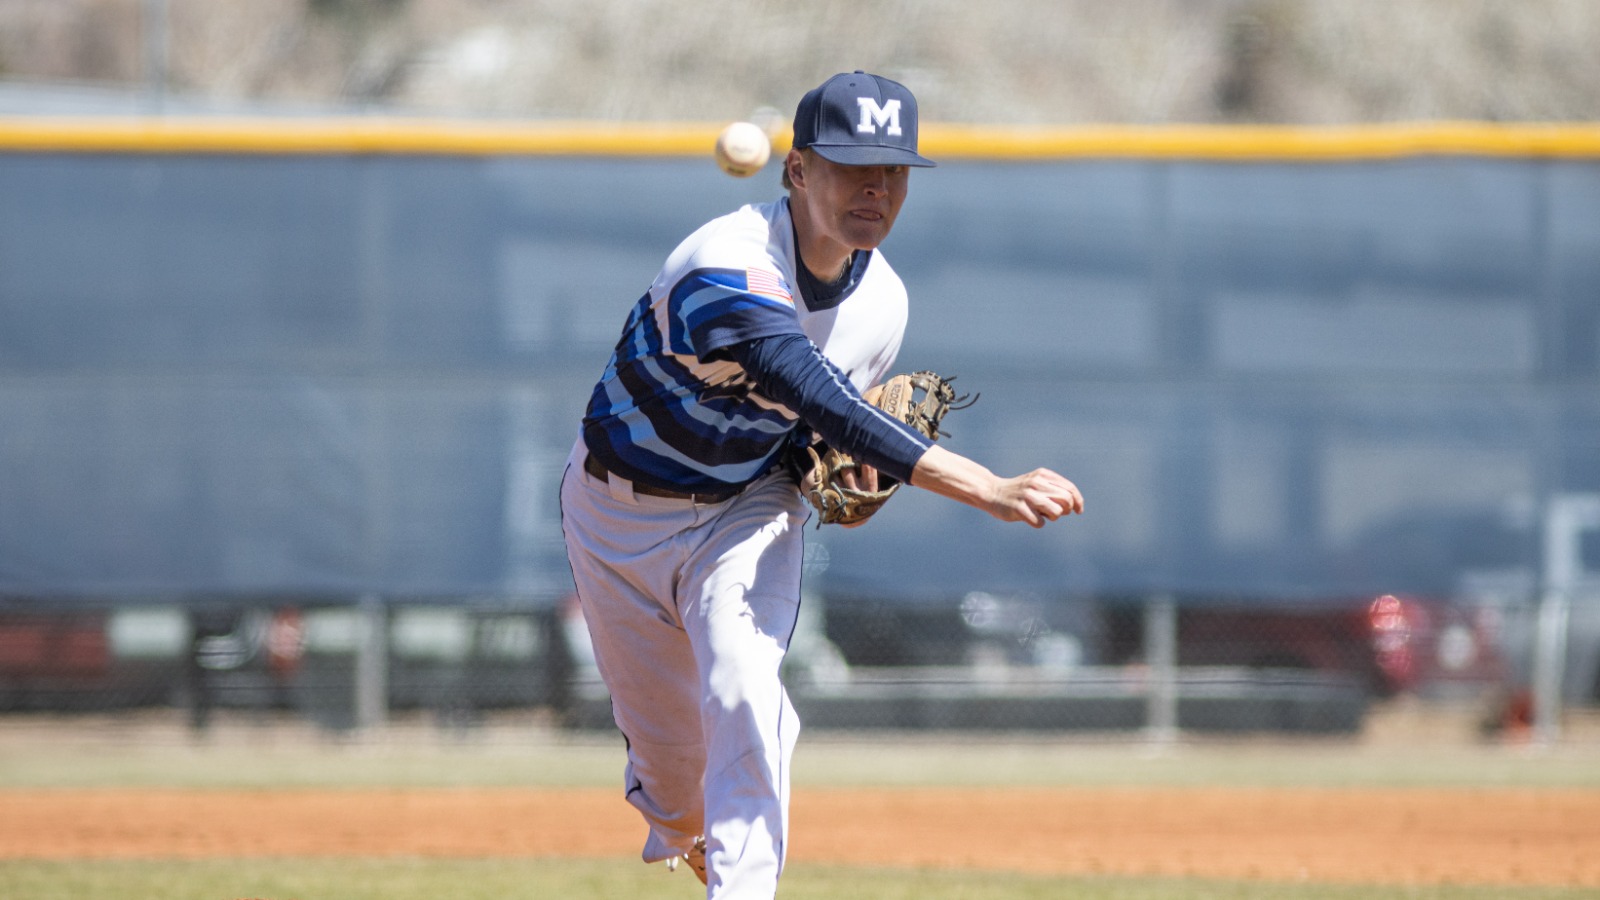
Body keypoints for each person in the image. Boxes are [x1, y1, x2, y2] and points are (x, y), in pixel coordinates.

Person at [558, 70, 1083, 898]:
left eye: (895, 171)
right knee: (676, 784)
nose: (877, 189)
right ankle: (691, 831)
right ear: (798, 170)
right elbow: (815, 392)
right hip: (613, 513)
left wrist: (847, 474)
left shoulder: (884, 304)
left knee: (745, 686)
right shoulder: (722, 264)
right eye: (853, 168)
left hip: (744, 509)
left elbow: (818, 438)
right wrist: (985, 485)